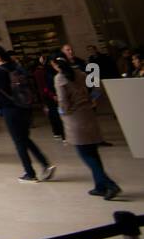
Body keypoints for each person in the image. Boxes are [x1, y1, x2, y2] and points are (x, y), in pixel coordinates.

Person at [51, 56, 120, 199]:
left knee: (86, 155)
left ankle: (110, 184)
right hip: (88, 114)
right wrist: (92, 100)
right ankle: (99, 186)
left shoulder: (59, 78)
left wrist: (62, 111)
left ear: (54, 64)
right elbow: (95, 87)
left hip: (75, 119)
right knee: (93, 153)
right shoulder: (80, 73)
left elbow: (63, 101)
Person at [0, 45, 56, 183]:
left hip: (10, 109)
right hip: (24, 106)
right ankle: (45, 164)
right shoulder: (16, 67)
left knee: (19, 142)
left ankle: (30, 173)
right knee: (25, 139)